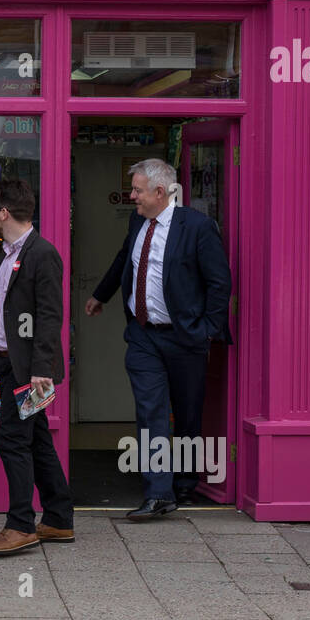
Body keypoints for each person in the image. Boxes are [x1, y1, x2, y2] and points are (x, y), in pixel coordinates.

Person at [86, 158, 232, 521]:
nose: (132, 196)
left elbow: (219, 282)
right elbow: (125, 260)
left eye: (137, 190)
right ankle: (159, 492)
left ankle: (185, 480)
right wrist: (100, 295)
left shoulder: (197, 227)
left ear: (160, 192)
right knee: (150, 412)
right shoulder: (138, 221)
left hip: (184, 336)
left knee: (187, 413)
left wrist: (207, 329)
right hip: (143, 336)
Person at [0, 179, 74, 555]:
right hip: (8, 366)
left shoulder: (43, 254)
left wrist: (40, 369)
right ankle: (57, 518)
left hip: (28, 373)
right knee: (36, 439)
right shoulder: (5, 254)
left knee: (12, 438)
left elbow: (51, 317)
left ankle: (20, 525)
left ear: (4, 213)